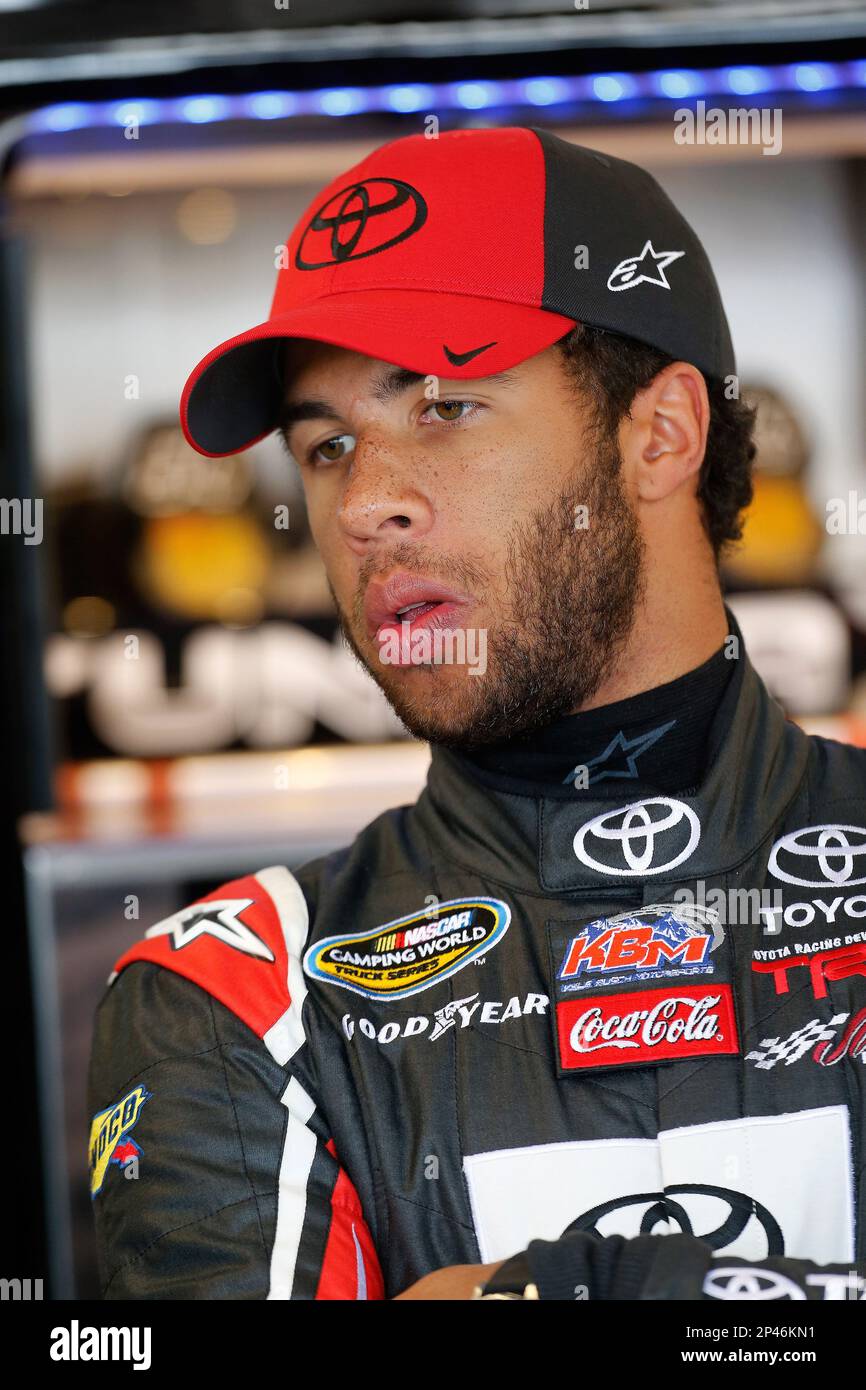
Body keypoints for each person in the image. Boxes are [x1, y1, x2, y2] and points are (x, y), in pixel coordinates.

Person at [88, 126, 866, 1301]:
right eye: (329, 443)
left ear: (658, 434)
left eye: (443, 406)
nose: (363, 506)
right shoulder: (231, 999)